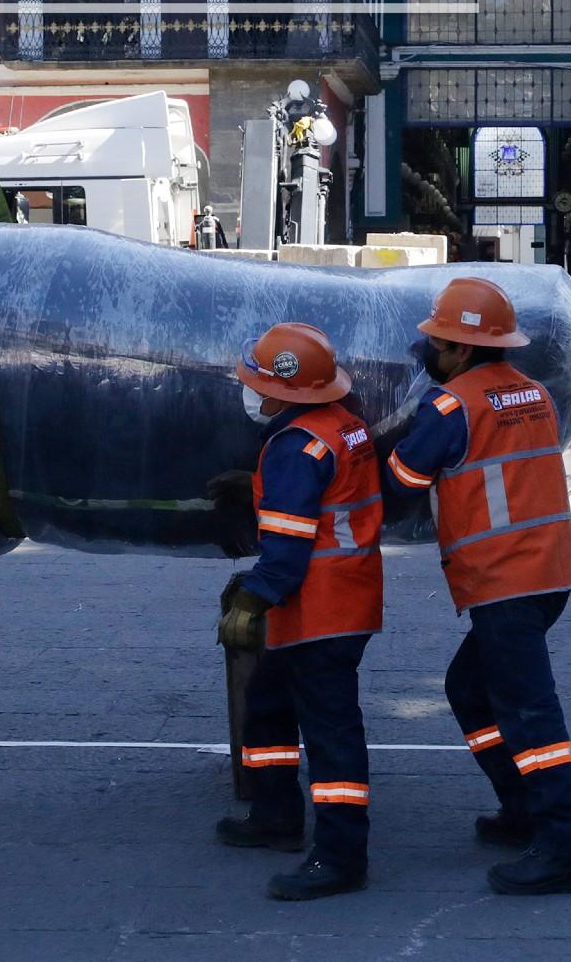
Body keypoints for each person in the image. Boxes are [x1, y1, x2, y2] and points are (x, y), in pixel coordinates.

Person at [382, 278, 571, 895]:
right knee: (470, 690)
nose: (429, 350)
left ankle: (564, 847)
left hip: (503, 579)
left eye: (438, 343)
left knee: (530, 715)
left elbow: (402, 481)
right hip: (545, 572)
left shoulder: (450, 407)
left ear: (463, 349)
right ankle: (522, 807)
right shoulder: (534, 396)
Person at [209, 322, 383, 901]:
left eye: (258, 382)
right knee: (268, 707)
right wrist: (258, 486)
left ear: (286, 391)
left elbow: (286, 547)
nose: (251, 392)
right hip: (347, 596)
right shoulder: (345, 427)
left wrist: (252, 596)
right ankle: (275, 816)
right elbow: (330, 500)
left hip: (316, 609)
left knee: (330, 733)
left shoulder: (292, 447)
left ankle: (340, 857)